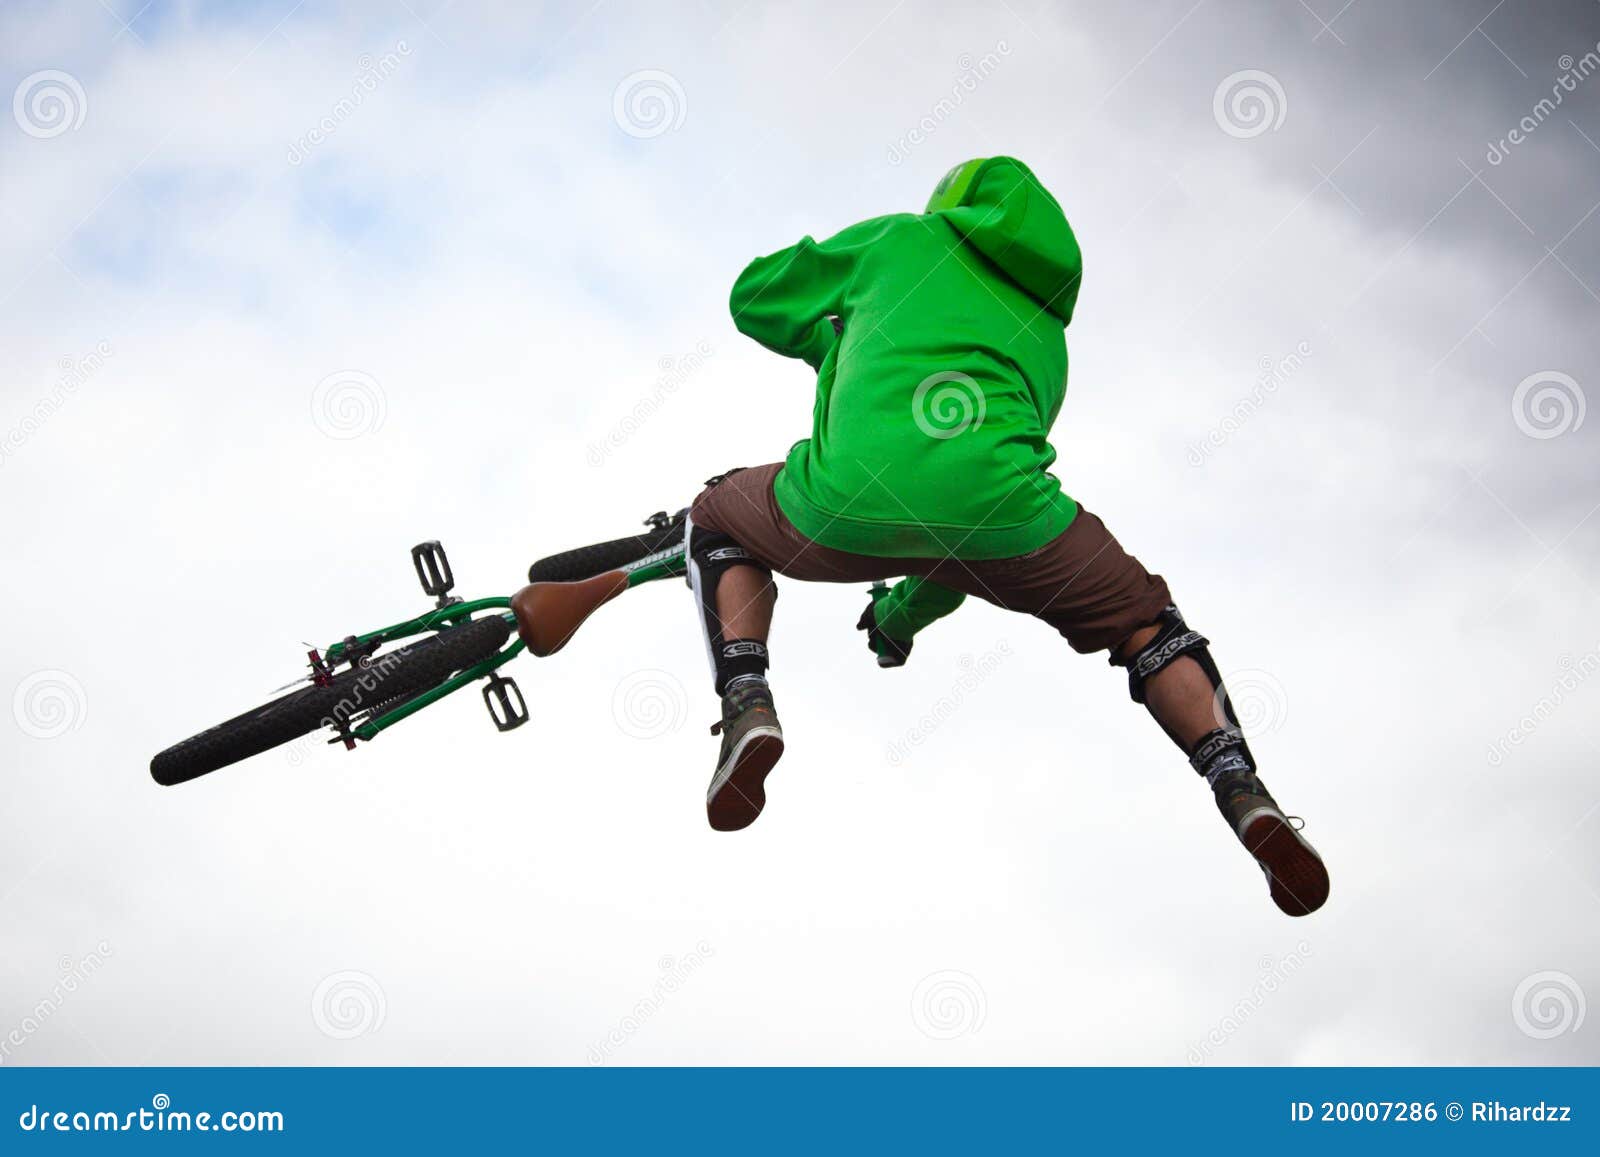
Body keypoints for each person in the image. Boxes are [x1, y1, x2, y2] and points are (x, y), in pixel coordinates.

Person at [681, 156, 1325, 916]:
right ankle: (1238, 782)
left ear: (947, 205)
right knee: (1150, 629)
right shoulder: (1049, 340)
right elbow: (957, 533)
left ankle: (749, 696)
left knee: (714, 519)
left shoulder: (899, 240)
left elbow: (753, 296)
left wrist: (834, 338)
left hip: (839, 500)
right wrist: (898, 619)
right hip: (1015, 522)